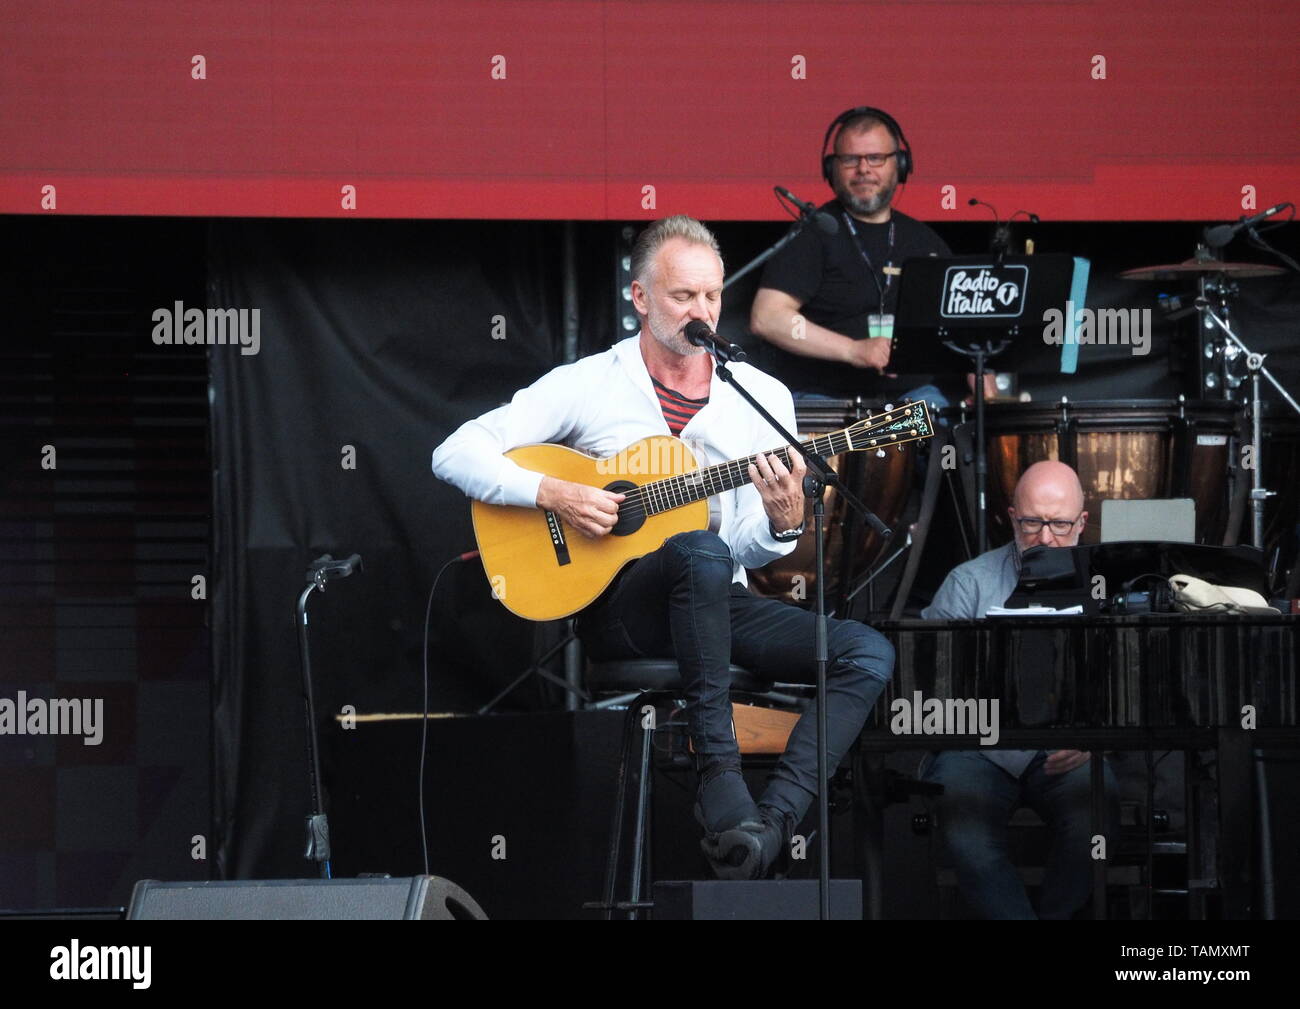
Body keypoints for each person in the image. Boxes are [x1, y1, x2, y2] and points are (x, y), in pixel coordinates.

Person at [432, 215, 895, 879]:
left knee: (865, 651)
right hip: (625, 609)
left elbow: (744, 546)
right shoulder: (589, 381)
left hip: (717, 600)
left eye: (711, 296)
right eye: (682, 296)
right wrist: (551, 494)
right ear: (640, 298)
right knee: (694, 551)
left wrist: (784, 519)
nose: (701, 311)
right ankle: (721, 780)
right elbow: (455, 450)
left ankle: (768, 827)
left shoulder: (760, 398)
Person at [921, 460, 1118, 918]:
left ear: (1082, 522)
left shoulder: (1110, 588)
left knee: (1097, 826)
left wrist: (1095, 736)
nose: (1046, 537)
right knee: (965, 833)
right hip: (978, 747)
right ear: (1011, 517)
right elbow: (930, 683)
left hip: (1073, 749)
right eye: (1032, 523)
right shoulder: (968, 582)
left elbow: (1124, 680)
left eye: (1060, 524)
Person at [750, 106, 951, 400]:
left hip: (912, 397)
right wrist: (853, 350)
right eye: (850, 159)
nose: (864, 169)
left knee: (948, 429)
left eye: (876, 158)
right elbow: (767, 318)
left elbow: (961, 321)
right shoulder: (811, 235)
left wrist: (981, 377)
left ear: (901, 165)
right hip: (825, 401)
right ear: (832, 169)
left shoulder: (925, 241)